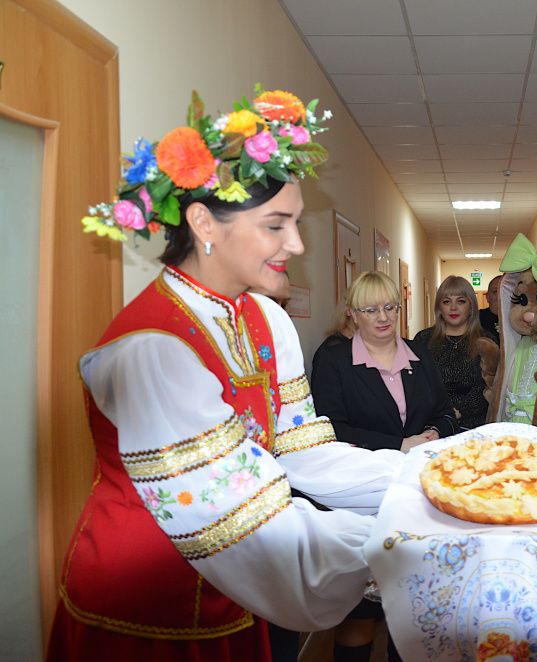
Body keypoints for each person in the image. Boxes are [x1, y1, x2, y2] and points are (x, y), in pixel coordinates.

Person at [53, 87, 404, 661]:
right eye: (276, 225)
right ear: (203, 223)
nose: (296, 243)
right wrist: (404, 545)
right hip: (147, 610)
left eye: (295, 223)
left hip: (238, 591)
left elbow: (301, 449)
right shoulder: (152, 351)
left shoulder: (263, 317)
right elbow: (238, 518)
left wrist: (420, 479)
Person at [310, 269, 457, 661]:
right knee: (361, 613)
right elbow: (329, 428)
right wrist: (398, 445)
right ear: (352, 315)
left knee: (409, 609)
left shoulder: (418, 353)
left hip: (414, 497)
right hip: (361, 501)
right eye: (370, 309)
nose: (383, 317)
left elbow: (445, 412)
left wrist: (433, 434)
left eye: (390, 307)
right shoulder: (334, 359)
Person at [414, 275, 491, 429]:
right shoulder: (423, 340)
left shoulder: (486, 340)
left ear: (471, 306)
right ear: (439, 307)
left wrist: (459, 410)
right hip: (430, 425)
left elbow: (490, 385)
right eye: (446, 301)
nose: (453, 308)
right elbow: (416, 383)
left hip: (474, 426)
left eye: (461, 301)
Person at [478, 274, 502, 343]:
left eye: (504, 291)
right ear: (487, 297)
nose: (500, 296)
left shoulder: (517, 319)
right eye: (495, 292)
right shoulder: (477, 318)